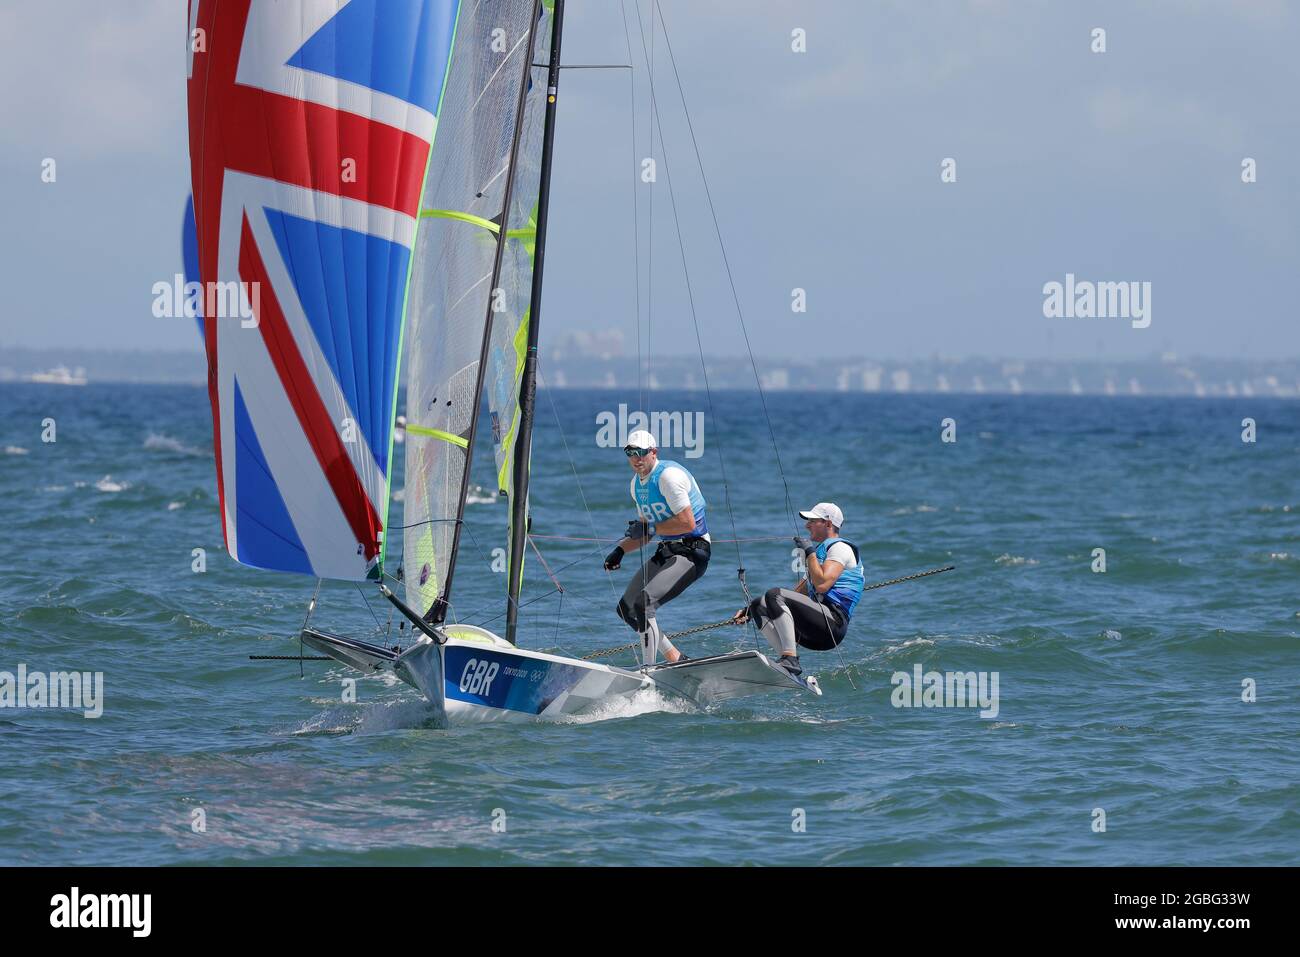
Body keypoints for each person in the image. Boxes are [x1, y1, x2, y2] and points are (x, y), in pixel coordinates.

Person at [603, 430, 710, 665]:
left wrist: (650, 529)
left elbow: (687, 522)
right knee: (626, 609)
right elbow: (645, 532)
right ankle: (676, 658)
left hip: (693, 551)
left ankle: (648, 670)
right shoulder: (636, 486)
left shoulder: (668, 477)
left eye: (641, 452)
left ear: (654, 453)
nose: (636, 458)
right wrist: (620, 550)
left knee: (643, 604)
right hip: (667, 552)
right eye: (630, 453)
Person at [734, 502, 864, 677]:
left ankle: (790, 659)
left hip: (832, 625)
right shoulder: (821, 553)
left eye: (812, 520)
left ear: (828, 523)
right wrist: (750, 611)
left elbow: (822, 585)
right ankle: (786, 662)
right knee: (759, 604)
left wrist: (809, 552)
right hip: (813, 628)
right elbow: (797, 594)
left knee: (774, 594)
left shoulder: (840, 548)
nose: (807, 525)